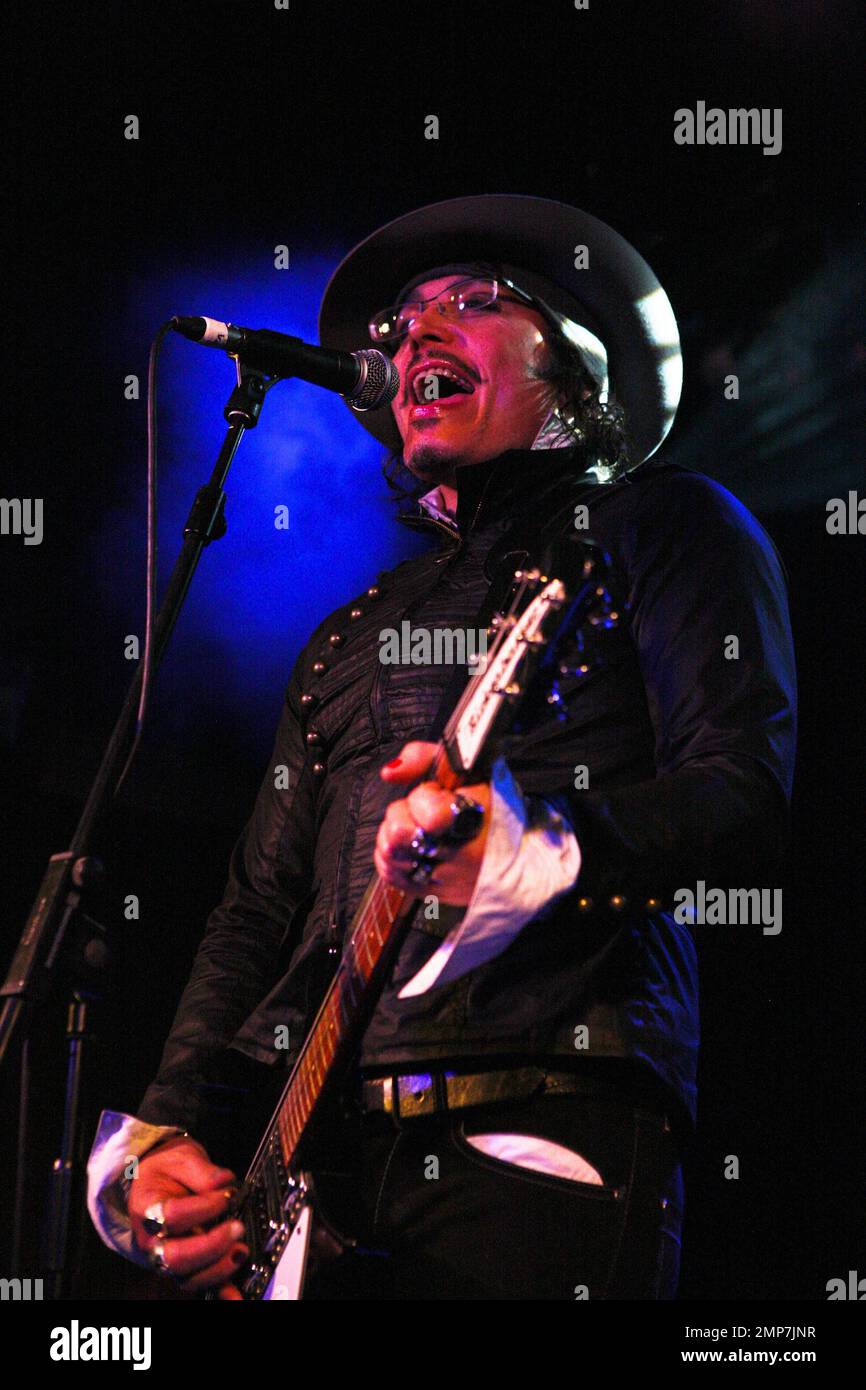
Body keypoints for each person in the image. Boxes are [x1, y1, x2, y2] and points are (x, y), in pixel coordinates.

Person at [86, 195, 797, 1300]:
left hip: (540, 1120)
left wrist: (536, 851)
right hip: (315, 1167)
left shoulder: (667, 526)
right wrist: (175, 1125)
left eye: (471, 302)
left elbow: (743, 789)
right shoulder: (345, 632)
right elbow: (255, 912)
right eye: (401, 321)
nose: (413, 334)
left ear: (577, 369)